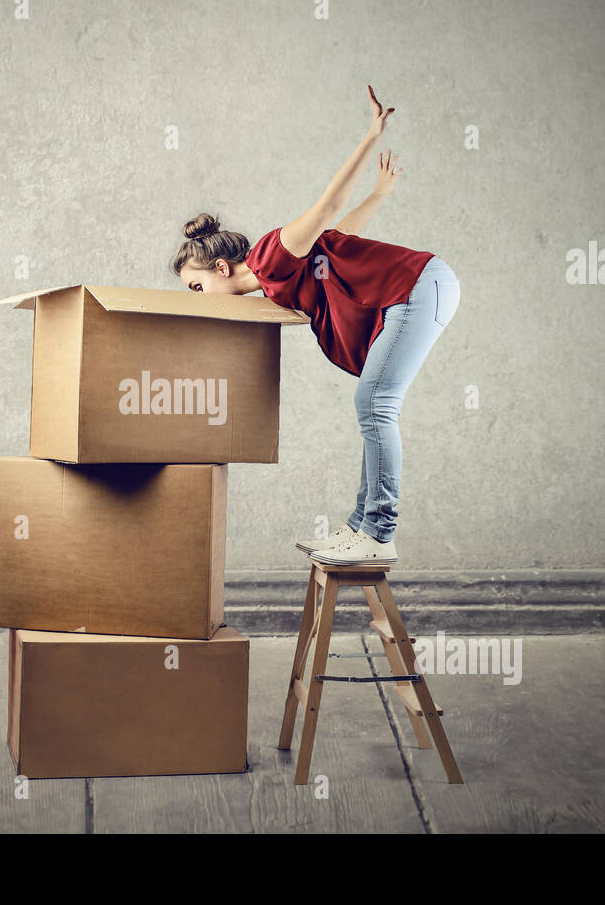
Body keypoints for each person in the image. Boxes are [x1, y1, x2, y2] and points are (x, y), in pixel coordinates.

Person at [170, 85, 460, 565]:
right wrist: (379, 194)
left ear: (220, 269)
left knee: (375, 402)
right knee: (373, 403)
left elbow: (325, 209)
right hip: (410, 292)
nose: (199, 301)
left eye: (196, 288)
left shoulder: (269, 256)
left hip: (418, 285)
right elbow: (339, 235)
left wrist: (370, 136)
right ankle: (359, 528)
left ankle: (379, 531)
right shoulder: (277, 278)